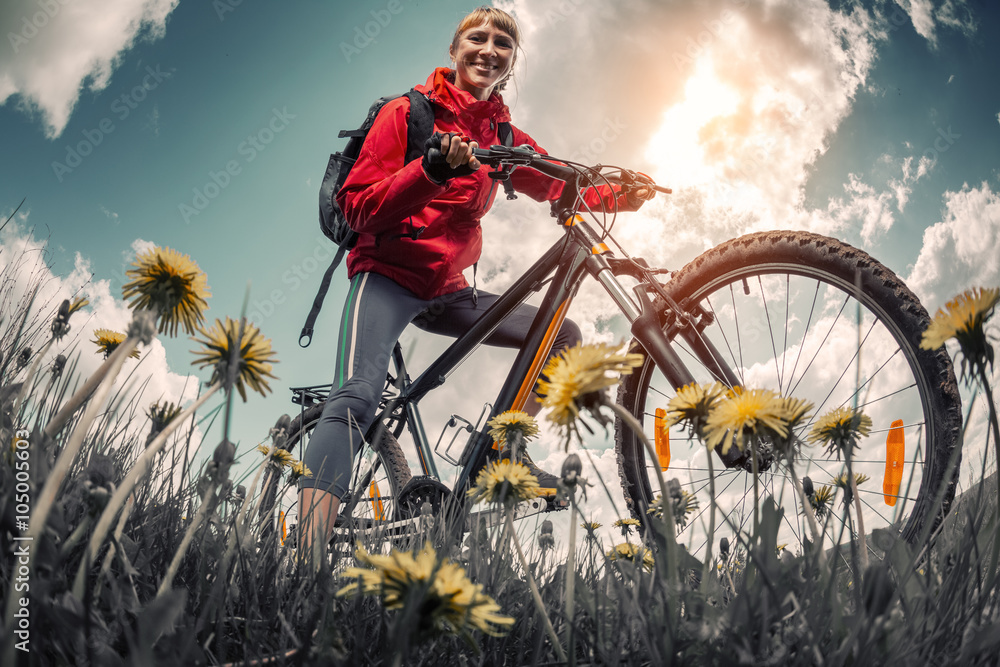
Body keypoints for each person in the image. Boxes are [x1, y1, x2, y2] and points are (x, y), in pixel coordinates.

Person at [297, 6, 652, 555]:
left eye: (503, 43)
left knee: (562, 334)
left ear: (512, 61)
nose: (489, 49)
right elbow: (359, 207)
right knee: (358, 396)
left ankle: (502, 454)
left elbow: (557, 184)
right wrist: (430, 169)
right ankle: (305, 551)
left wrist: (616, 195)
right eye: (477, 38)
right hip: (386, 277)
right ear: (454, 49)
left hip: (449, 290)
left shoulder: (503, 135)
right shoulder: (407, 114)